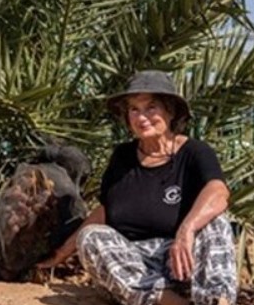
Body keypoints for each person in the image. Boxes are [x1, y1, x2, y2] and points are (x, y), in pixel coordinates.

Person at [38, 71, 237, 305]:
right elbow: (104, 212)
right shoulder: (122, 157)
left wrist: (187, 230)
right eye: (134, 109)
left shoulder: (194, 152)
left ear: (170, 111)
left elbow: (218, 191)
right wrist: (61, 253)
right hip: (132, 267)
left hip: (182, 257)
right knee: (90, 236)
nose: (142, 117)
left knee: (216, 222)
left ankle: (216, 300)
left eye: (151, 107)